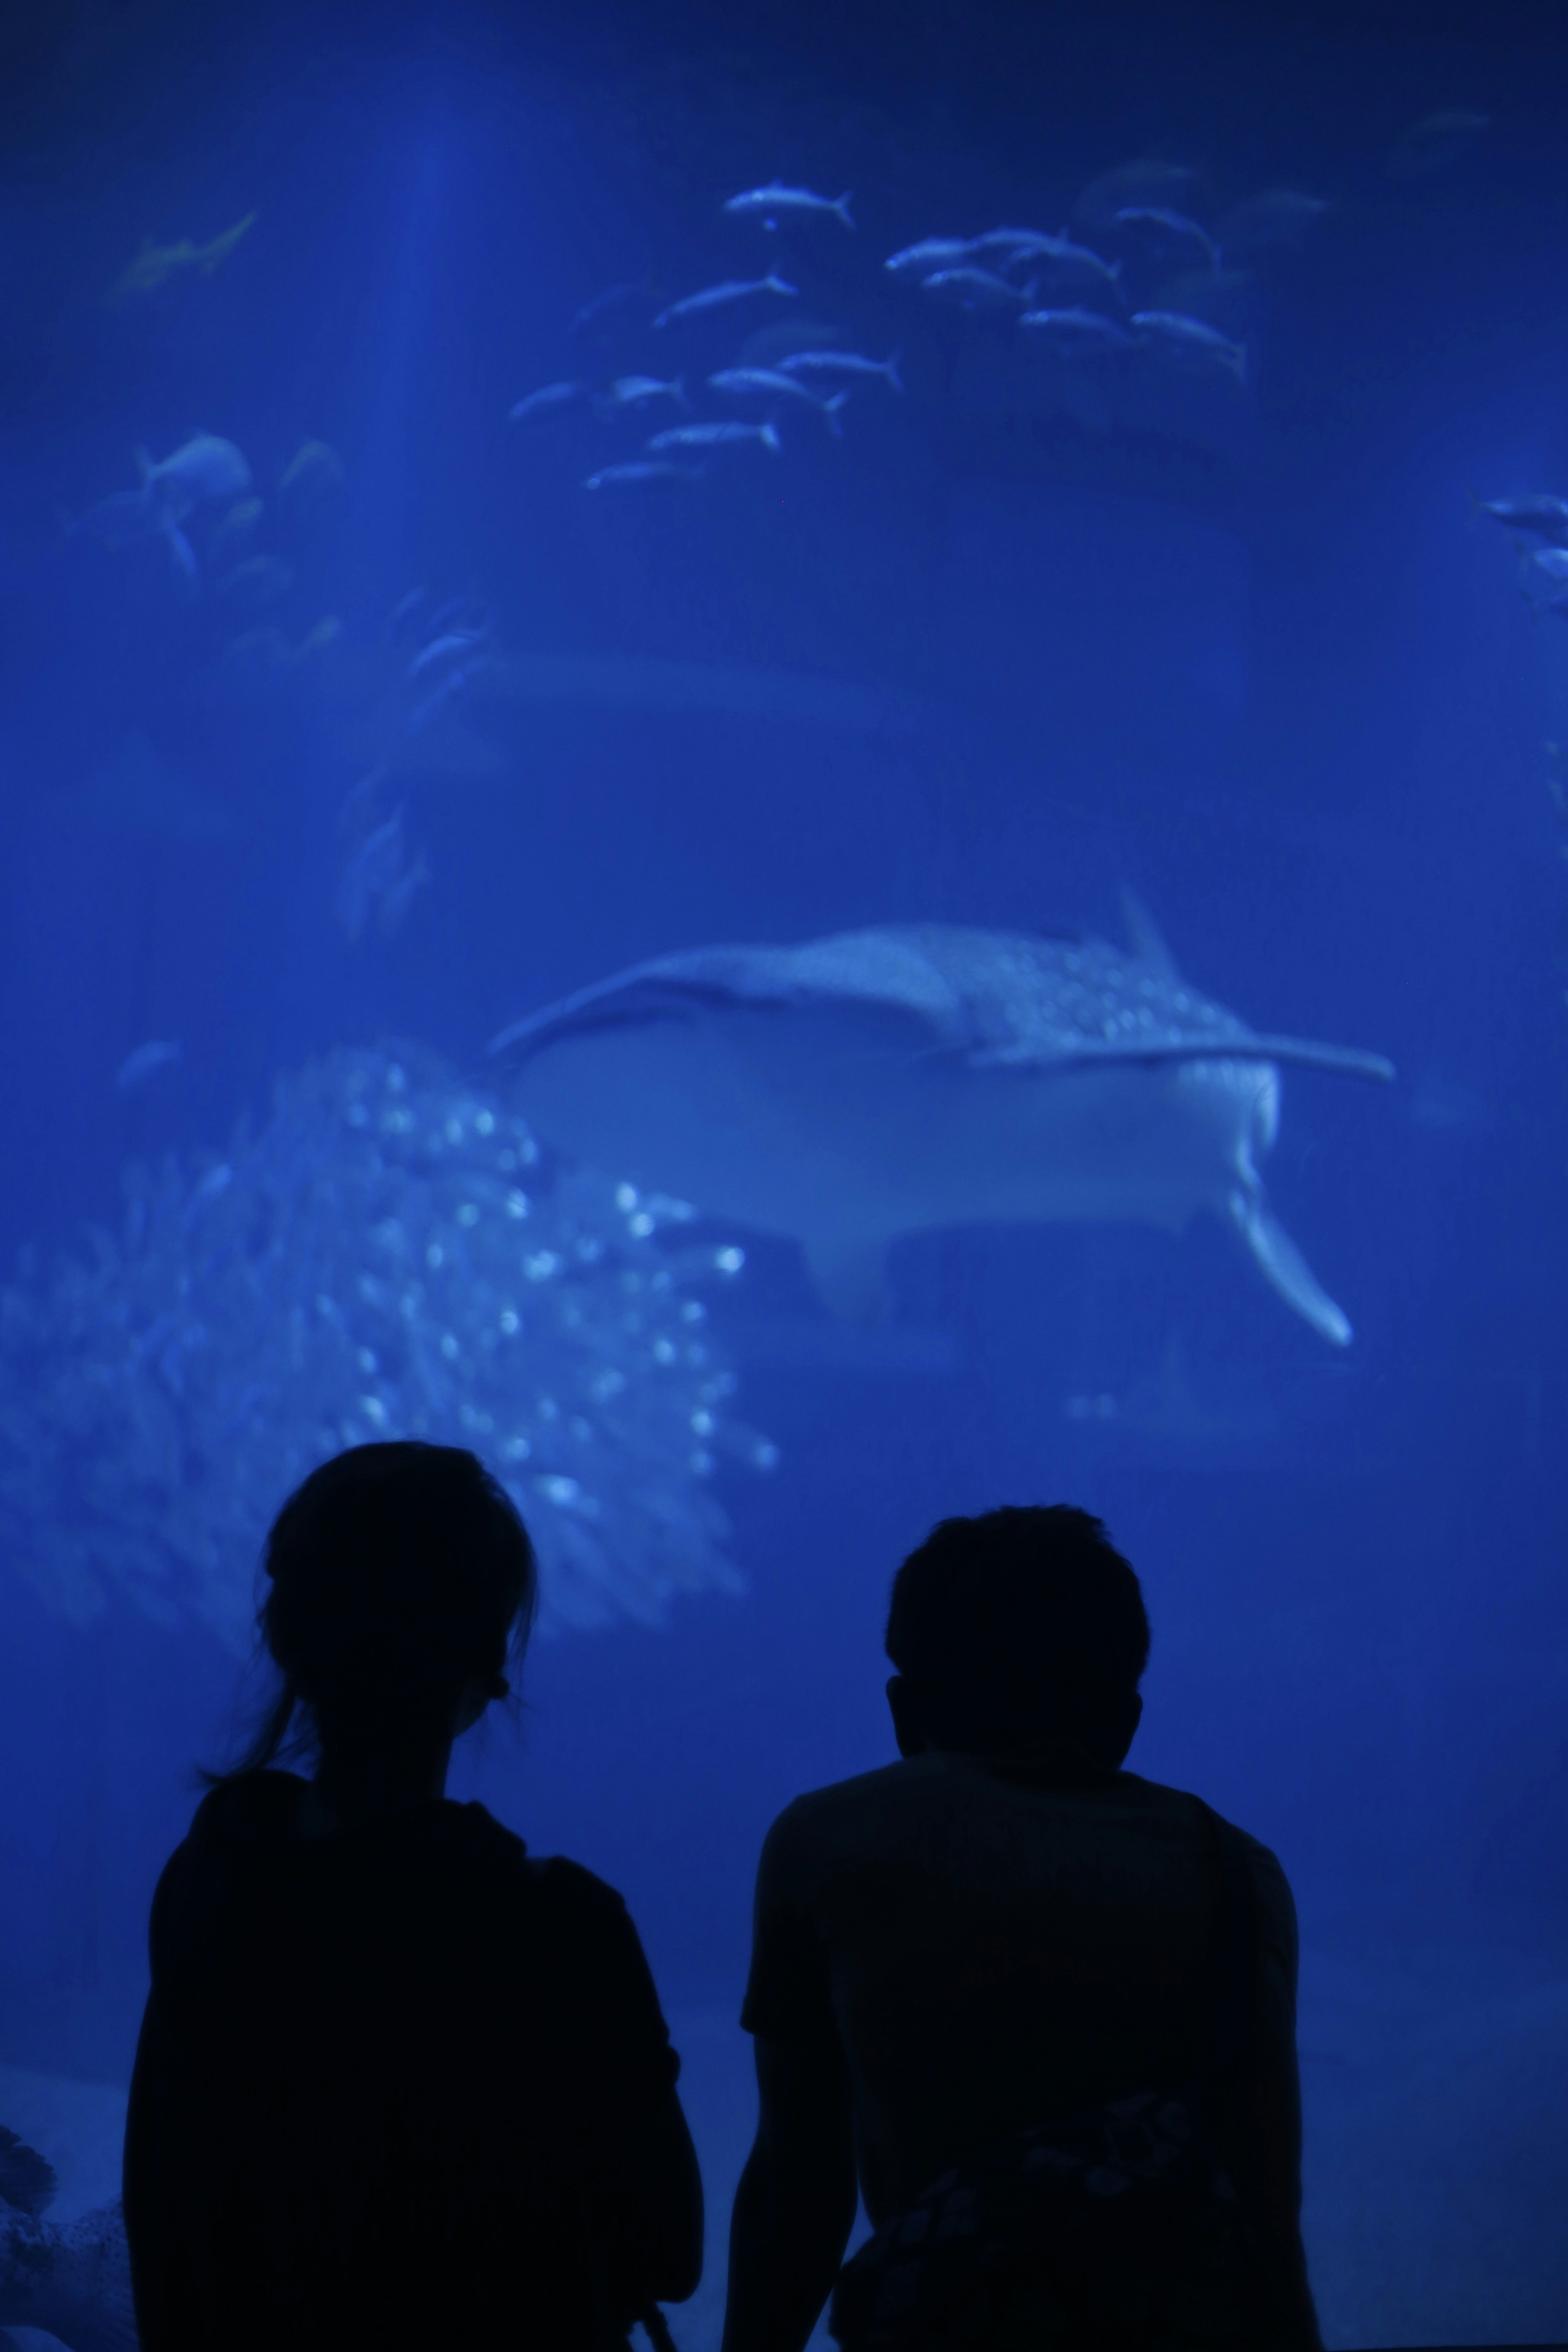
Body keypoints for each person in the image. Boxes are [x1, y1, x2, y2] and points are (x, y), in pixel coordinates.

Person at [123, 1441, 702, 2352]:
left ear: (286, 1635)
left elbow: (166, 2196)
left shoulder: (208, 1877)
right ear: (488, 1660)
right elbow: (668, 2249)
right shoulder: (554, 1929)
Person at [722, 1505, 1321, 2352]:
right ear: (1125, 1718)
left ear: (903, 1709)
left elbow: (797, 2187)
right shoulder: (1232, 1869)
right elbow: (1264, 2202)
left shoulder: (826, 1842)